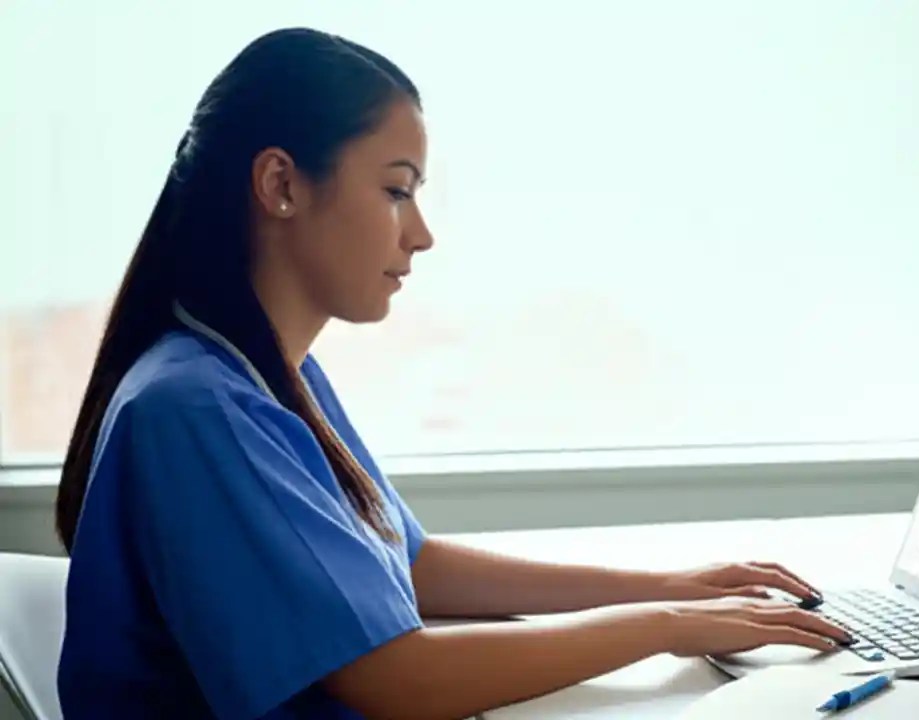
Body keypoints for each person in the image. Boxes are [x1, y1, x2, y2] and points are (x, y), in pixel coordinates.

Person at [54, 27, 850, 720]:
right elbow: (395, 681)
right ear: (281, 185)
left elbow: (410, 564)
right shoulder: (198, 409)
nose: (422, 235)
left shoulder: (266, 375)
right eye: (396, 191)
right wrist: (672, 628)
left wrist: (663, 587)